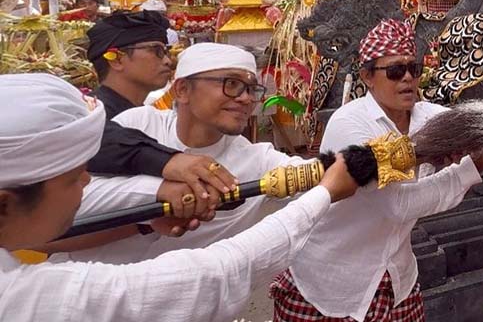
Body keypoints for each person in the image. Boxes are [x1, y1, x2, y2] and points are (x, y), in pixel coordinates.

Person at [0, 73, 359, 322]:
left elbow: (74, 222)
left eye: (251, 87)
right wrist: (323, 196)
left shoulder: (253, 154)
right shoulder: (20, 299)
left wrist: (142, 220)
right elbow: (209, 276)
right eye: (73, 176)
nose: (87, 179)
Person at [270, 18, 483, 322]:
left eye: (414, 69)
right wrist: (472, 168)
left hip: (397, 280)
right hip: (331, 285)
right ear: (367, 76)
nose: (407, 78)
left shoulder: (429, 118)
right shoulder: (349, 124)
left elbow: (473, 126)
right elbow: (398, 206)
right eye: (396, 71)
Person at [54, 42, 334, 263]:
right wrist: (159, 198)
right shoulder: (139, 124)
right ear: (183, 90)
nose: (246, 98)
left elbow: (325, 178)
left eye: (252, 89)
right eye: (232, 84)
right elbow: (66, 211)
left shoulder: (257, 159)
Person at [86, 11, 235, 216]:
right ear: (116, 59)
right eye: (156, 51)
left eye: (166, 51)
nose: (167, 61)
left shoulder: (152, 111)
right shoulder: (92, 115)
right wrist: (169, 162)